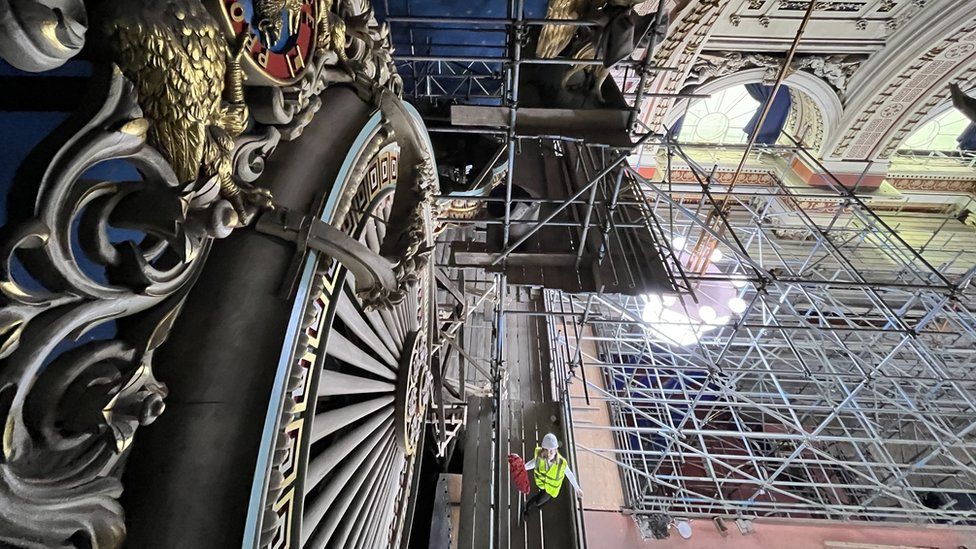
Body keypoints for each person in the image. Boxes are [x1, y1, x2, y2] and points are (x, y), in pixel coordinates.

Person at [521, 432, 583, 520]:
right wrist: (523, 468)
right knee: (539, 500)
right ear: (543, 450)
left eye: (551, 450)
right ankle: (527, 507)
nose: (549, 453)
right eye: (546, 450)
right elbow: (533, 463)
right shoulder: (540, 456)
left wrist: (577, 489)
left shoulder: (561, 463)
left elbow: (569, 474)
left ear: (556, 449)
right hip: (542, 483)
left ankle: (537, 505)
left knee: (542, 500)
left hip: (551, 488)